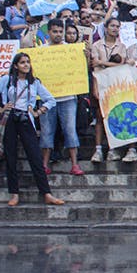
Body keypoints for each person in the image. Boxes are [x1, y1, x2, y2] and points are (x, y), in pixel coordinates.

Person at [0, 53, 65, 207]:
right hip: (10, 119)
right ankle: (14, 193)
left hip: (26, 119)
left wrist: (38, 112)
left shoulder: (34, 83)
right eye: (22, 63)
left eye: (27, 62)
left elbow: (50, 99)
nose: (26, 65)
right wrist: (0, 108)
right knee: (10, 157)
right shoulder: (7, 80)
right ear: (15, 65)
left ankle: (46, 192)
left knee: (35, 157)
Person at [38, 19, 83, 175]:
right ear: (48, 32)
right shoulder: (40, 51)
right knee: (46, 131)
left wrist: (85, 56)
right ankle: (44, 164)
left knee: (70, 130)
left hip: (68, 97)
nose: (57, 34)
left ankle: (75, 164)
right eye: (54, 31)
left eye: (60, 31)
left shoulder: (71, 50)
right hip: (47, 99)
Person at [89, 17, 128, 162]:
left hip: (116, 84)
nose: (115, 28)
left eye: (117, 26)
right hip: (100, 82)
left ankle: (113, 148)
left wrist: (102, 62)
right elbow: (94, 66)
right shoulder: (97, 45)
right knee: (100, 116)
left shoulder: (122, 46)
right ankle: (98, 149)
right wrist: (95, 87)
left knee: (114, 115)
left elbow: (121, 65)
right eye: (112, 26)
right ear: (105, 28)